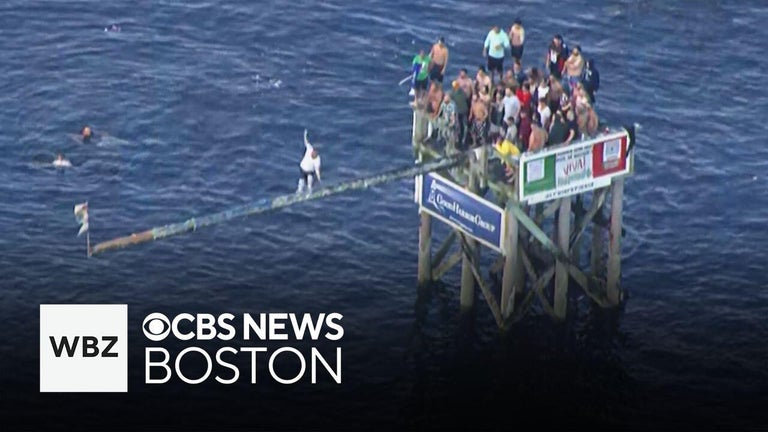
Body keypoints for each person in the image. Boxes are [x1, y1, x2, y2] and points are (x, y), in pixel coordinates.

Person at [450, 80, 470, 150]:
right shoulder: (461, 92)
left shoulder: (454, 93)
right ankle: (462, 141)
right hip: (463, 111)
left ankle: (461, 141)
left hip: (461, 112)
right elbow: (467, 97)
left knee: (461, 127)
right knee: (463, 127)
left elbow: (451, 97)